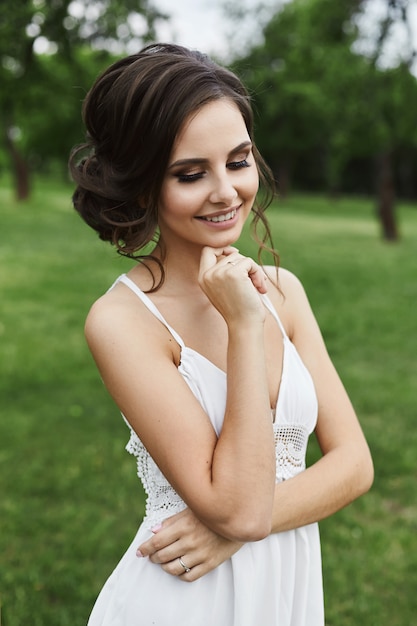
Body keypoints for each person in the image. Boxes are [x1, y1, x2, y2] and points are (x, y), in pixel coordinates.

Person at [69, 43, 373, 626]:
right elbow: (236, 507)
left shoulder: (284, 291)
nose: (227, 191)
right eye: (190, 174)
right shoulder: (122, 322)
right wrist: (242, 323)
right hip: (183, 599)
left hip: (283, 591)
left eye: (238, 161)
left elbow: (355, 463)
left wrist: (239, 531)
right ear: (143, 184)